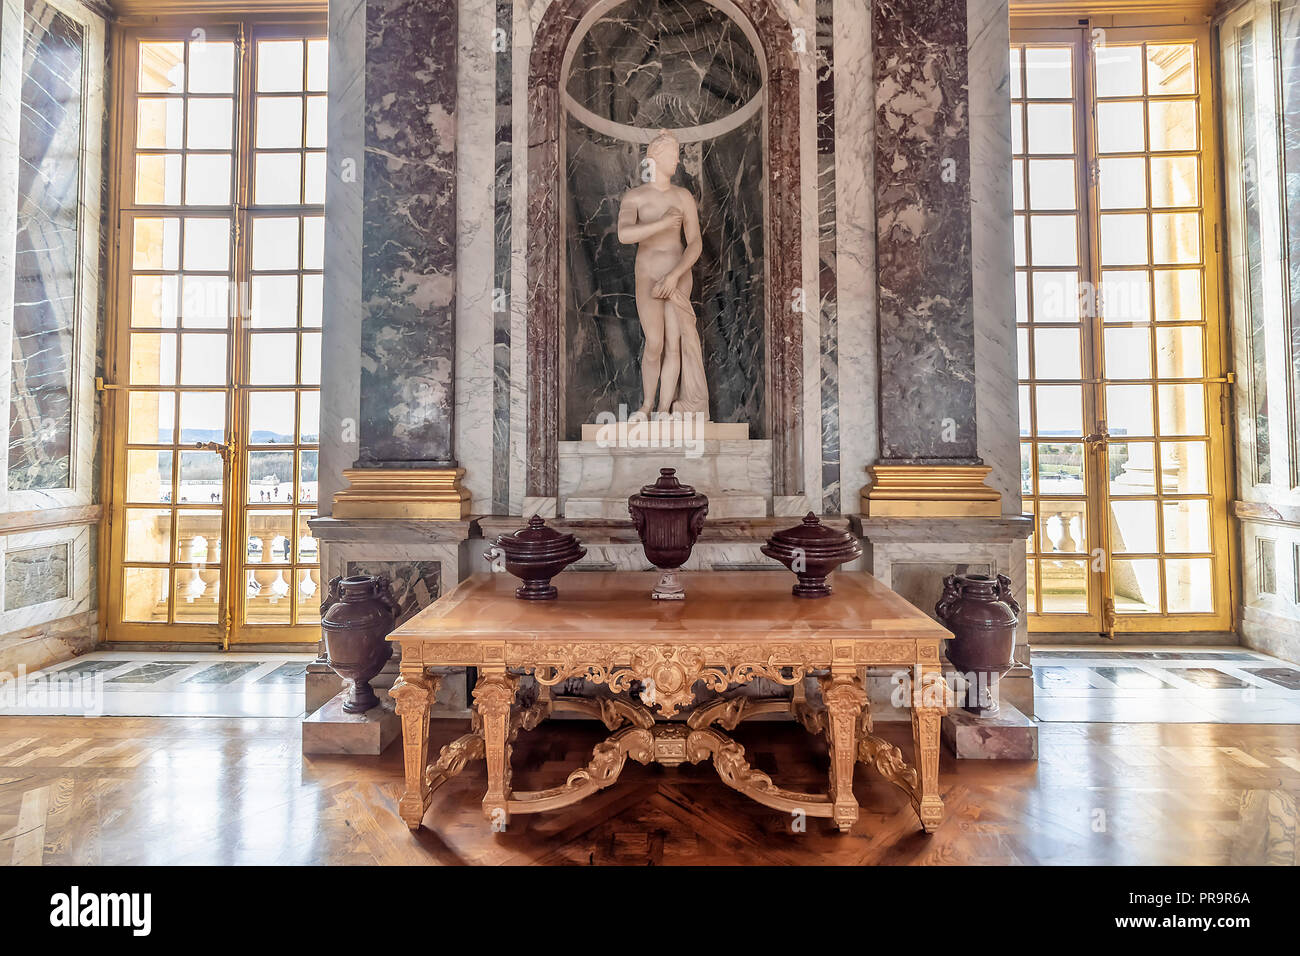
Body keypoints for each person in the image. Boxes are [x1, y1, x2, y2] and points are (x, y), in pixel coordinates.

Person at [616, 130, 708, 417]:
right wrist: (662, 223)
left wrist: (675, 275)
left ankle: (664, 409)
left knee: (674, 344)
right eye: (672, 155)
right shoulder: (635, 197)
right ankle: (646, 405)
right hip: (647, 276)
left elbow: (695, 243)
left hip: (677, 276)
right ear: (654, 158)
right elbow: (624, 234)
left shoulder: (683, 197)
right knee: (654, 343)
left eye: (677, 154)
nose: (677, 161)